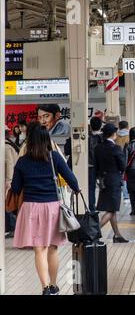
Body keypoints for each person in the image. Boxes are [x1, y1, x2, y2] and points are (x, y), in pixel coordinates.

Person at [11, 124, 80, 295]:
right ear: (46, 139)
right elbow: (71, 178)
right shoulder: (54, 157)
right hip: (52, 208)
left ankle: (45, 287)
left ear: (29, 139)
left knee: (39, 248)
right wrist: (77, 189)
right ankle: (55, 284)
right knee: (53, 247)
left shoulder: (22, 161)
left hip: (31, 208)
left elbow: (16, 187)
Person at [94, 123, 128, 243]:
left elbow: (96, 166)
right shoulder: (116, 148)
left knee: (111, 208)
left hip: (103, 181)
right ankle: (93, 233)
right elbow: (122, 165)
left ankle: (117, 235)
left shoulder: (98, 148)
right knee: (111, 210)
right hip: (114, 181)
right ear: (114, 134)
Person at [5, 126, 20, 239]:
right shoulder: (9, 143)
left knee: (8, 203)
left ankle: (13, 228)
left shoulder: (5, 146)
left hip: (8, 180)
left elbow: (9, 164)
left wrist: (8, 181)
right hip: (12, 178)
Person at [115, 121, 130, 203]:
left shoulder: (116, 136)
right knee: (126, 177)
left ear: (119, 127)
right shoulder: (130, 135)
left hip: (117, 159)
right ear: (127, 127)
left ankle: (124, 195)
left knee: (121, 177)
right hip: (128, 159)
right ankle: (127, 195)